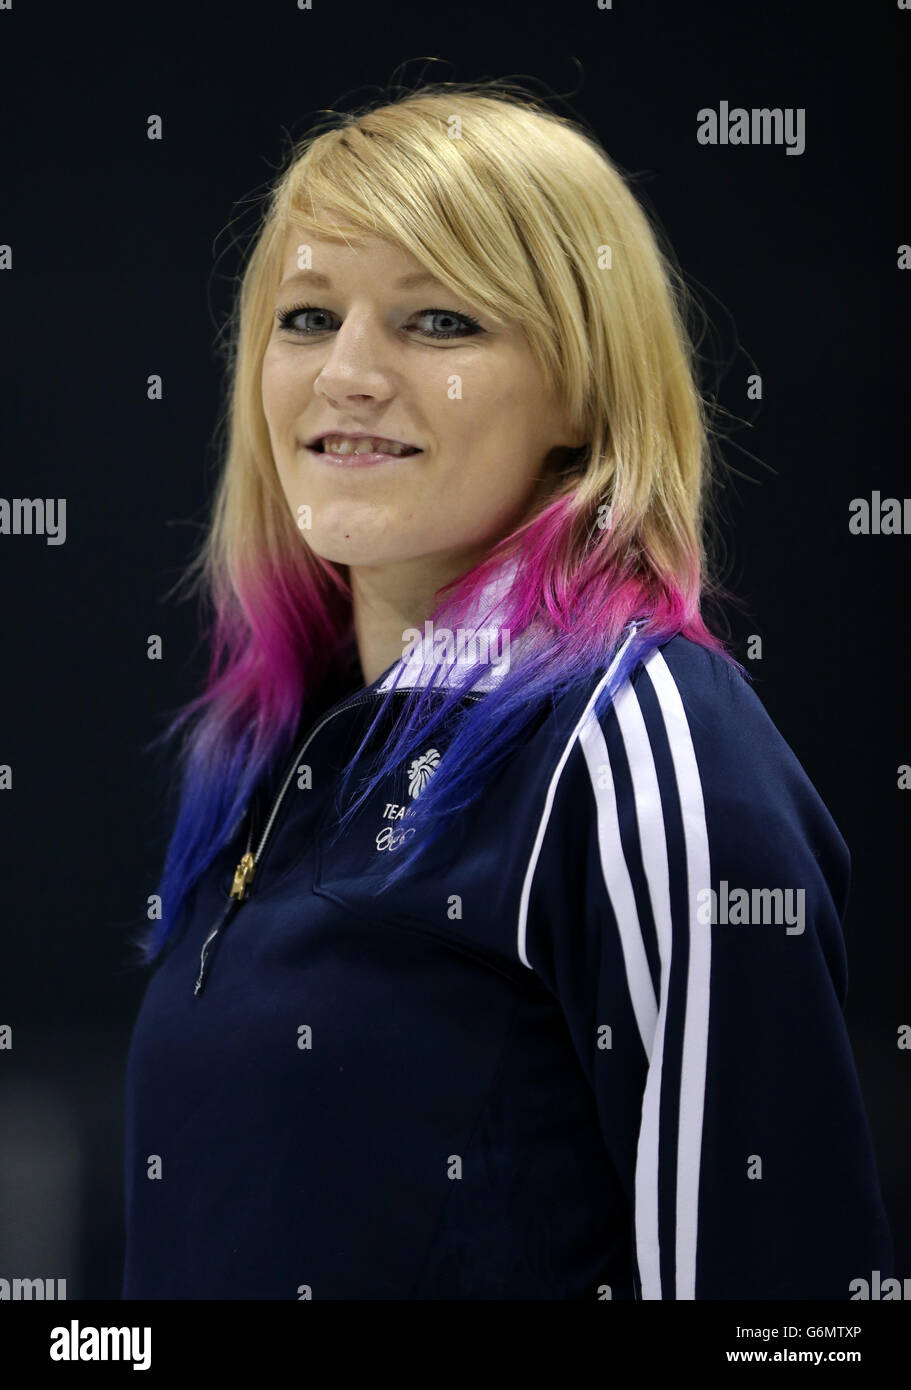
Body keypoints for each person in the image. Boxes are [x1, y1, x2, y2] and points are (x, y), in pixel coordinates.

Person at [121, 81, 893, 1300]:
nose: (349, 375)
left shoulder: (638, 739)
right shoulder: (267, 755)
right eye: (309, 316)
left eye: (437, 322)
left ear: (581, 391)